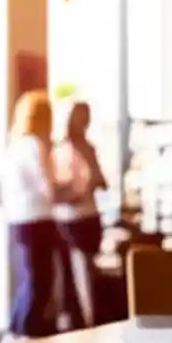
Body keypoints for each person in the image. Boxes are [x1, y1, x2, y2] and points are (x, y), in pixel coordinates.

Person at [0, 91, 67, 339]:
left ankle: (14, 331)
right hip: (38, 219)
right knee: (41, 281)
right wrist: (68, 189)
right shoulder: (35, 146)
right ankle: (27, 333)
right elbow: (47, 187)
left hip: (17, 221)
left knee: (28, 279)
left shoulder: (14, 146)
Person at [53, 100, 107, 329]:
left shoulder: (88, 148)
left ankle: (89, 322)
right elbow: (55, 188)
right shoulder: (60, 150)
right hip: (68, 218)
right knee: (71, 275)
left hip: (87, 216)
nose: (84, 121)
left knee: (86, 272)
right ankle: (80, 321)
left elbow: (101, 181)